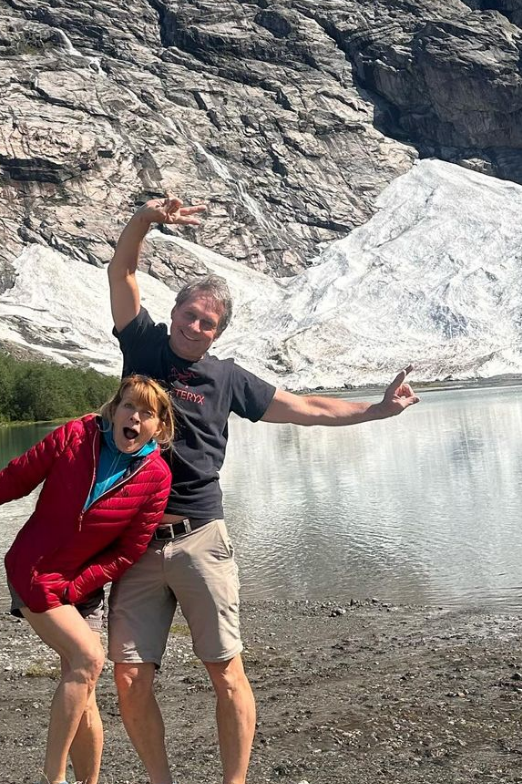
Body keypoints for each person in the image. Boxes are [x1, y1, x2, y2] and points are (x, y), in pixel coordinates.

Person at [107, 197, 420, 784]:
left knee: (224, 670)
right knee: (128, 676)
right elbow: (121, 271)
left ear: (218, 331)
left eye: (208, 322)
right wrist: (146, 220)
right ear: (172, 312)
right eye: (189, 315)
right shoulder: (142, 348)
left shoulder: (228, 379)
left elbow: (304, 408)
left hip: (201, 536)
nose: (195, 327)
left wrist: (375, 411)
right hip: (135, 540)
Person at [0, 374, 175, 784]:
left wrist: (77, 586)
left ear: (159, 427)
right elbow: (12, 480)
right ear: (114, 408)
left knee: (83, 688)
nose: (135, 419)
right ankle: (53, 778)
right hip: (32, 572)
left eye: (147, 413)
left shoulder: (155, 477)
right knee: (89, 660)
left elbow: (127, 552)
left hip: (80, 587)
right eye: (129, 407)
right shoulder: (75, 436)